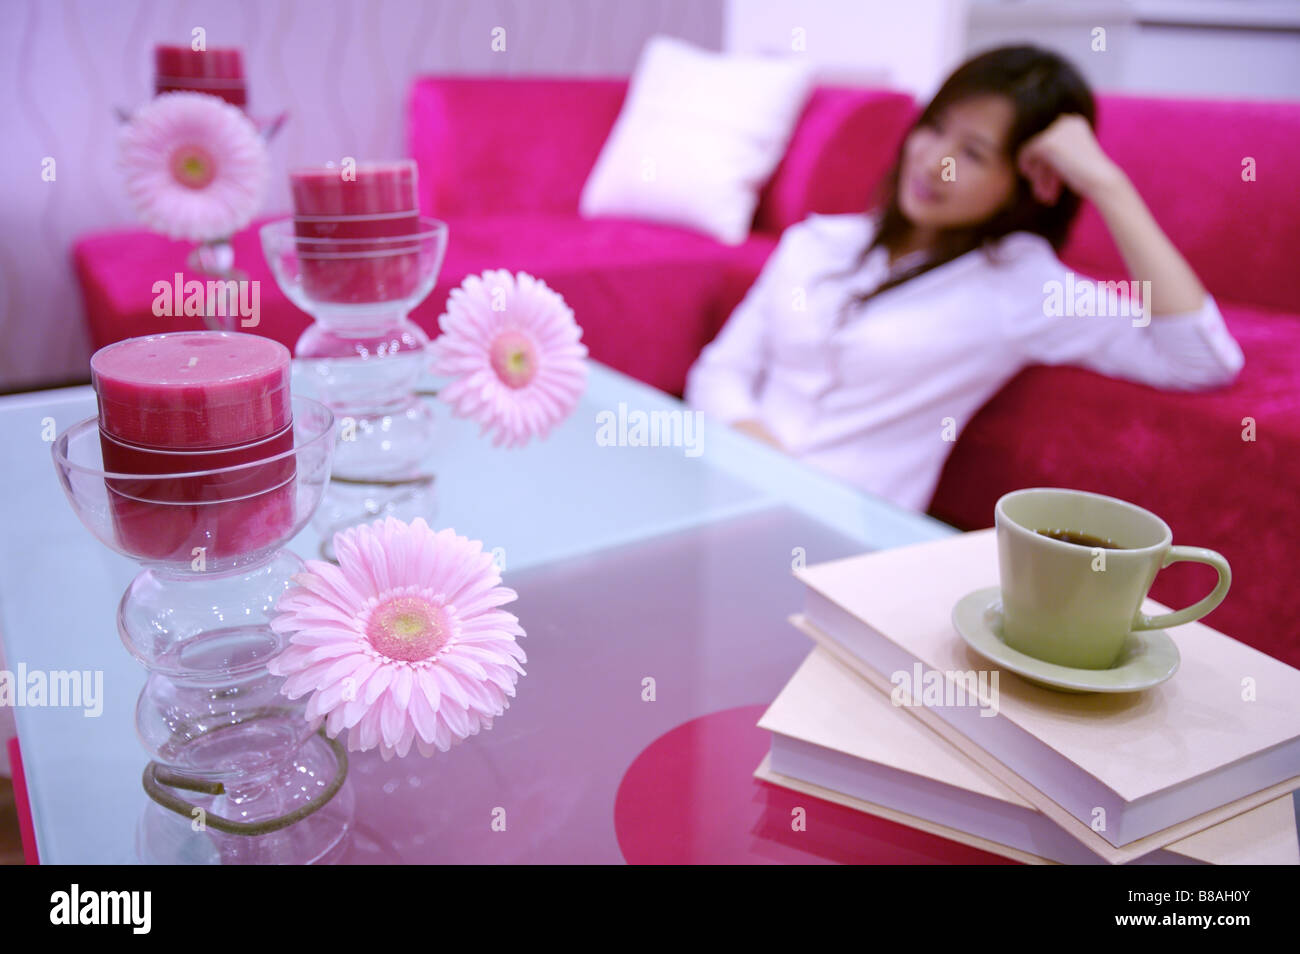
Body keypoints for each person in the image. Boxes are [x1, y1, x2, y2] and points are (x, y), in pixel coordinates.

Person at [684, 46, 1244, 513]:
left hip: (844, 548)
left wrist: (1107, 184)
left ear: (1029, 181)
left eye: (972, 153)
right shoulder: (818, 243)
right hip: (729, 489)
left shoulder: (1021, 287)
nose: (934, 162)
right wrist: (766, 463)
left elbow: (1199, 358)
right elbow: (719, 373)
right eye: (933, 129)